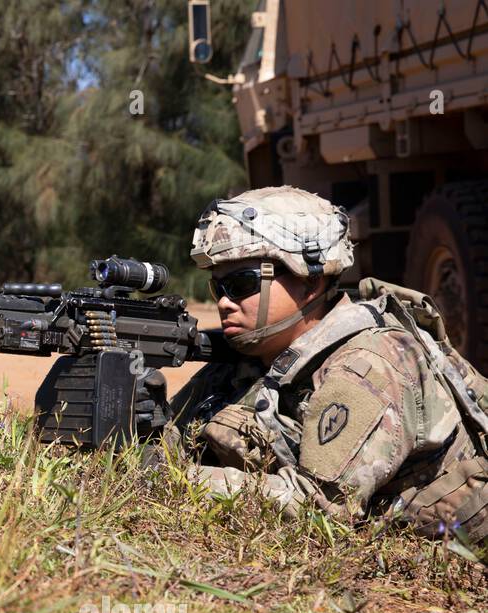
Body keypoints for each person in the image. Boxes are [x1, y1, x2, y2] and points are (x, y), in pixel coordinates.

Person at [157, 186, 488, 542]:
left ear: (310, 281)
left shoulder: (368, 364)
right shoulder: (251, 356)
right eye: (217, 287)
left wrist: (178, 478)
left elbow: (321, 509)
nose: (224, 303)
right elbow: (171, 446)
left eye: (241, 284)